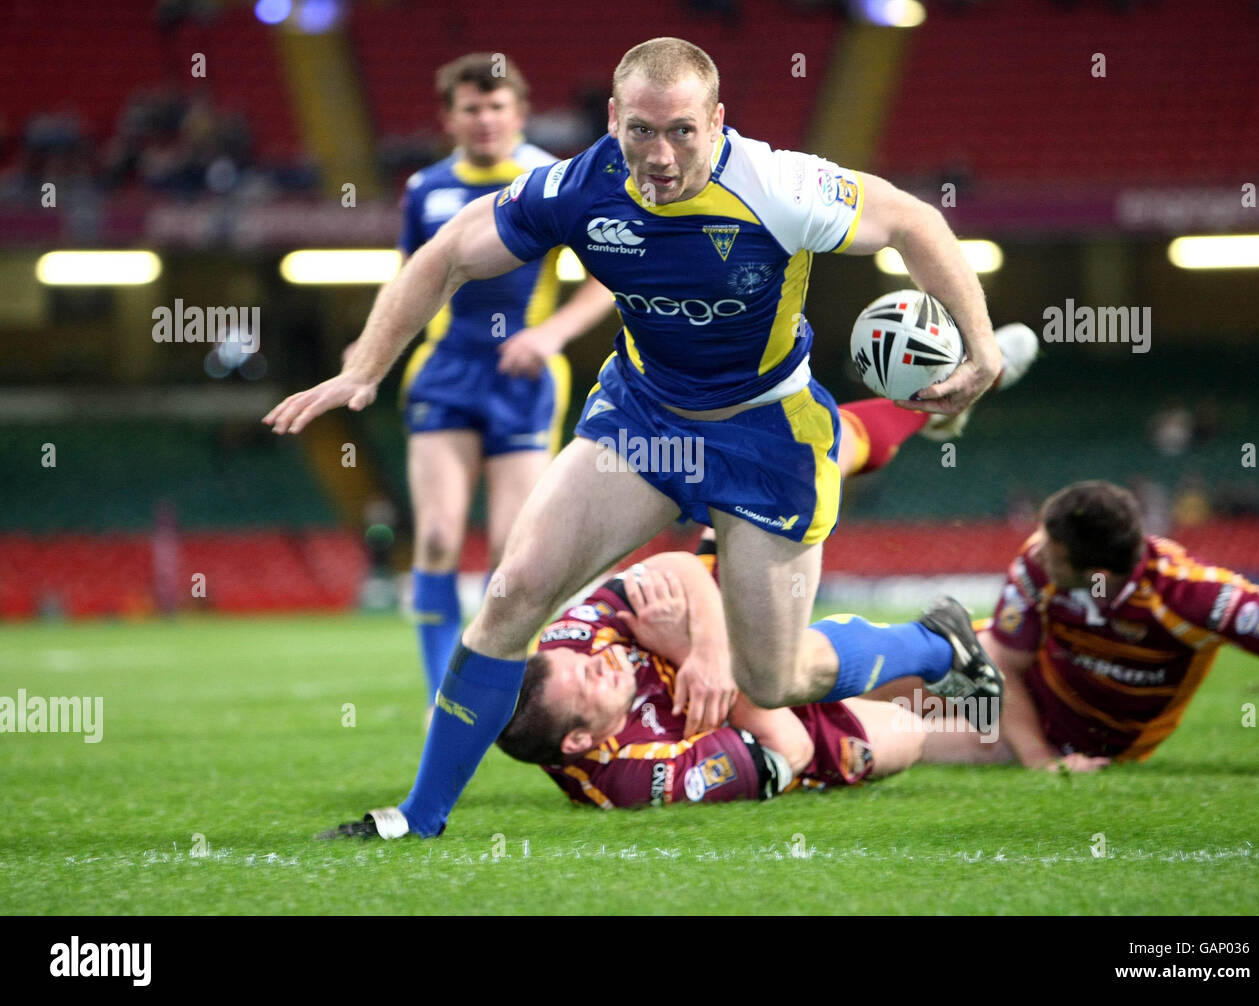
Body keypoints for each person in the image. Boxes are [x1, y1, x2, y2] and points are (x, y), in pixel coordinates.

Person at [267, 37, 1005, 839]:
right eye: (641, 132)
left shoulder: (780, 184)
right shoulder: (577, 185)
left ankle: (933, 646)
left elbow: (914, 221)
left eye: (682, 131)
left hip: (766, 436)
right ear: (613, 120)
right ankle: (418, 817)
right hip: (643, 419)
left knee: (777, 675)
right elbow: (446, 255)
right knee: (512, 596)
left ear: (717, 122)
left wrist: (984, 347)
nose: (660, 155)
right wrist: (365, 370)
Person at [349, 53, 613, 715]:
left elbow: (604, 279)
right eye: (471, 107)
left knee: (510, 548)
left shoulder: (552, 182)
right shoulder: (425, 189)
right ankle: (441, 693)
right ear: (450, 118)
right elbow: (412, 277)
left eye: (498, 107)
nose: (486, 118)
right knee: (436, 536)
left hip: (523, 379)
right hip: (444, 372)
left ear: (520, 113)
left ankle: (493, 683)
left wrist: (550, 334)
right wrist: (372, 344)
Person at [882, 480, 1259, 771]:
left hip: (1078, 739)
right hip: (1010, 682)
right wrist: (1039, 764)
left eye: (1053, 552)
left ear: (1095, 570)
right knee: (896, 661)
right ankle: (820, 703)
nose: (1038, 552)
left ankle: (833, 741)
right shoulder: (1037, 562)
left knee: (897, 734)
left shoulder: (1190, 595)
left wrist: (1041, 758)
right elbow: (1003, 661)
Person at [494, 547, 931, 808]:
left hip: (729, 638)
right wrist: (686, 651)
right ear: (577, 741)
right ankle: (948, 663)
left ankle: (939, 649)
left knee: (748, 511)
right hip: (779, 724)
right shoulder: (632, 778)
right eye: (589, 680)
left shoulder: (571, 642)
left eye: (580, 660)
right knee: (912, 730)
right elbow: (790, 745)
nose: (599, 662)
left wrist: (709, 648)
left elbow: (678, 566)